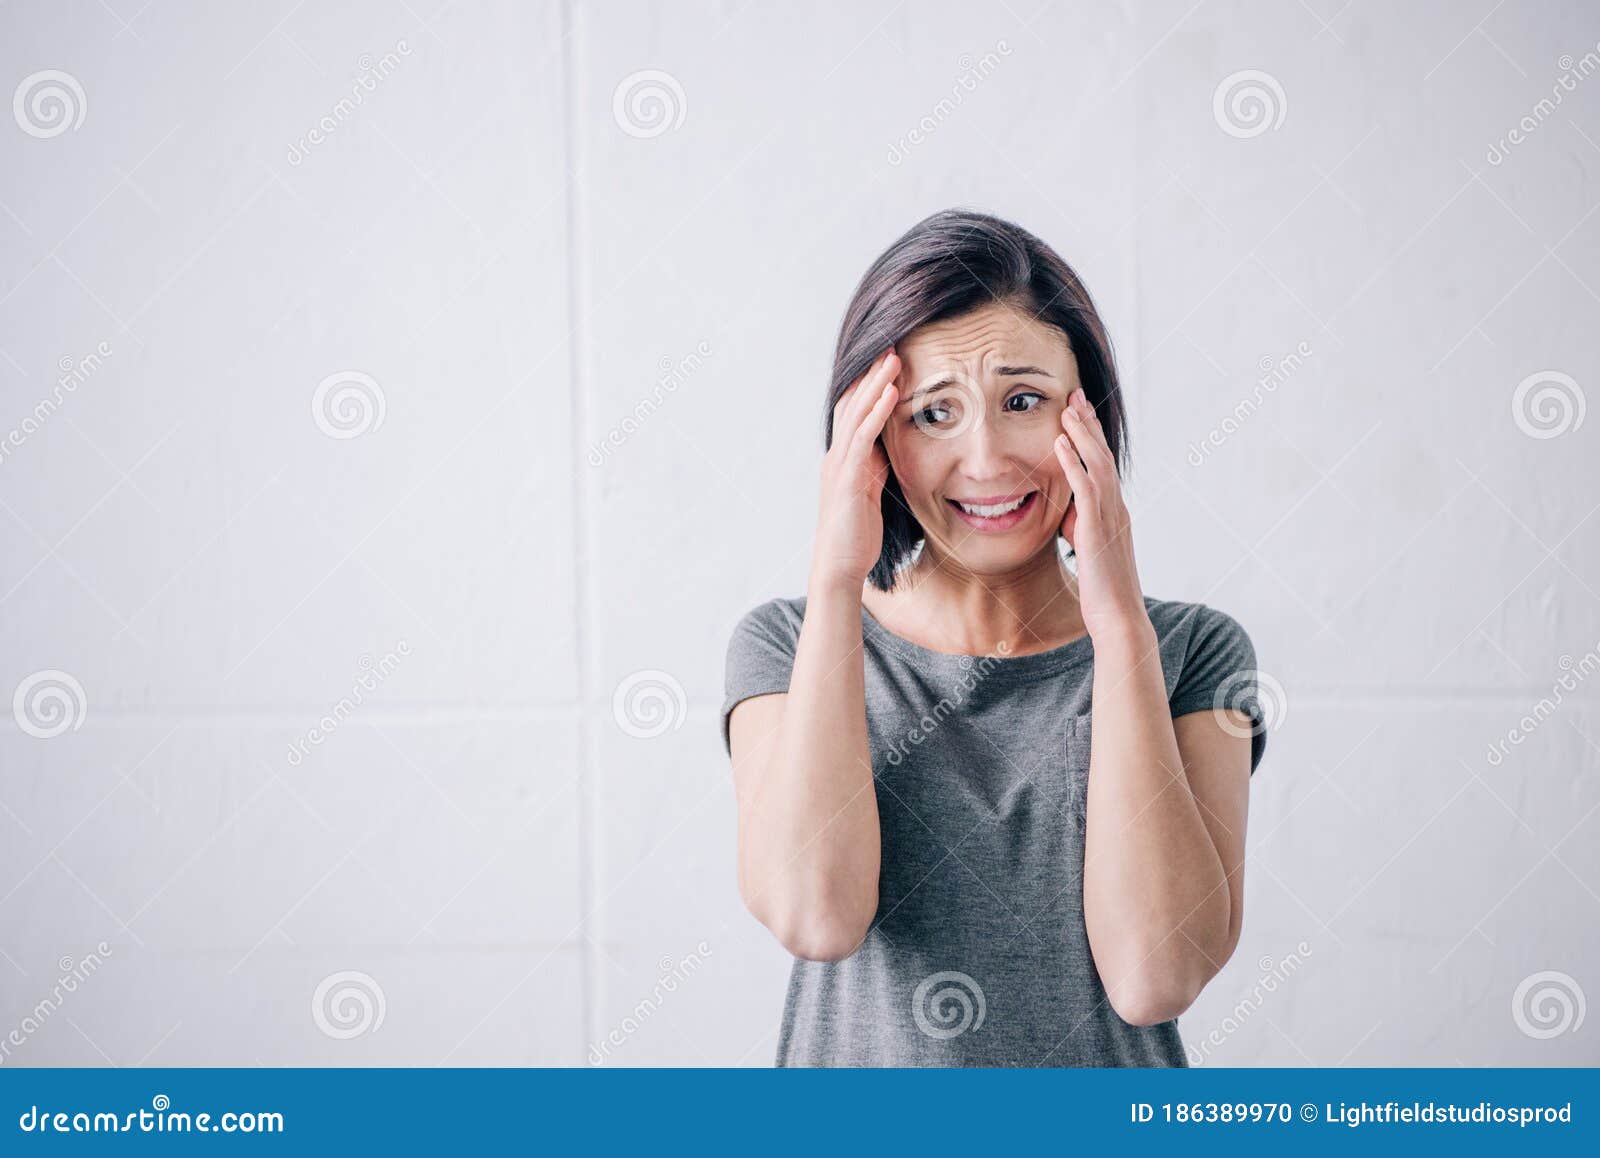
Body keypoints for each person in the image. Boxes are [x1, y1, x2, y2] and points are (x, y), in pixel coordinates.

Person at [720, 208, 1268, 1067]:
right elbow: (816, 917)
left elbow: (1157, 974)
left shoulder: (1198, 653)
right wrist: (834, 583)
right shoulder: (787, 645)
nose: (984, 461)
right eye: (933, 414)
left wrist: (1120, 627)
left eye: (1023, 402)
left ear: (1089, 412)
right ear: (873, 439)